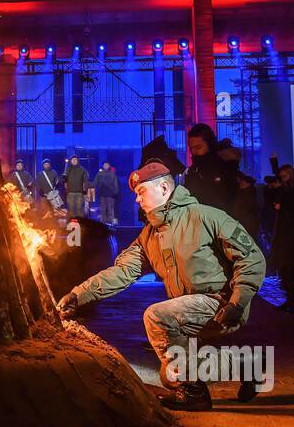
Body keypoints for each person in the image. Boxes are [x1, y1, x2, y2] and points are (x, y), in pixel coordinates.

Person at [55, 161, 266, 411]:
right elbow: (122, 271)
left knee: (156, 316)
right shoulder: (150, 235)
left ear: (164, 188)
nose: (137, 200)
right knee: (170, 376)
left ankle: (194, 396)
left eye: (141, 192)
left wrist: (237, 301)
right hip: (187, 313)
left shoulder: (206, 217)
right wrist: (78, 295)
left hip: (221, 303)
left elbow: (251, 257)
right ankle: (250, 364)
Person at [266, 164, 294, 311]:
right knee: (286, 269)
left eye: (284, 177)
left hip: (293, 236)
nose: (282, 180)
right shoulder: (285, 190)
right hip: (284, 234)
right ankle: (290, 299)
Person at [182, 123, 235, 211]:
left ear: (210, 145)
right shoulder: (194, 170)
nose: (194, 152)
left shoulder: (225, 168)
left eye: (198, 147)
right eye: (191, 148)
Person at [63, 155, 89, 219]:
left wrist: (85, 191)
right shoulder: (67, 169)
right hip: (70, 193)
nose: (74, 161)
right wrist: (64, 178)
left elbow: (86, 181)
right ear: (71, 161)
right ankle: (71, 225)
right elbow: (64, 181)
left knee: (79, 210)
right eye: (73, 160)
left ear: (78, 161)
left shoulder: (82, 170)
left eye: (75, 160)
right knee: (71, 210)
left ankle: (80, 225)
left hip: (79, 193)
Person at [95, 161, 120, 226]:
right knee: (103, 210)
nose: (105, 166)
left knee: (110, 210)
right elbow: (95, 183)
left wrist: (115, 192)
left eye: (107, 165)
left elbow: (115, 184)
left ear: (109, 166)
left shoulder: (112, 174)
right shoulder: (99, 174)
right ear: (103, 166)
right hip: (102, 195)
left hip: (110, 195)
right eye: (104, 165)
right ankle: (103, 224)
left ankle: (110, 224)